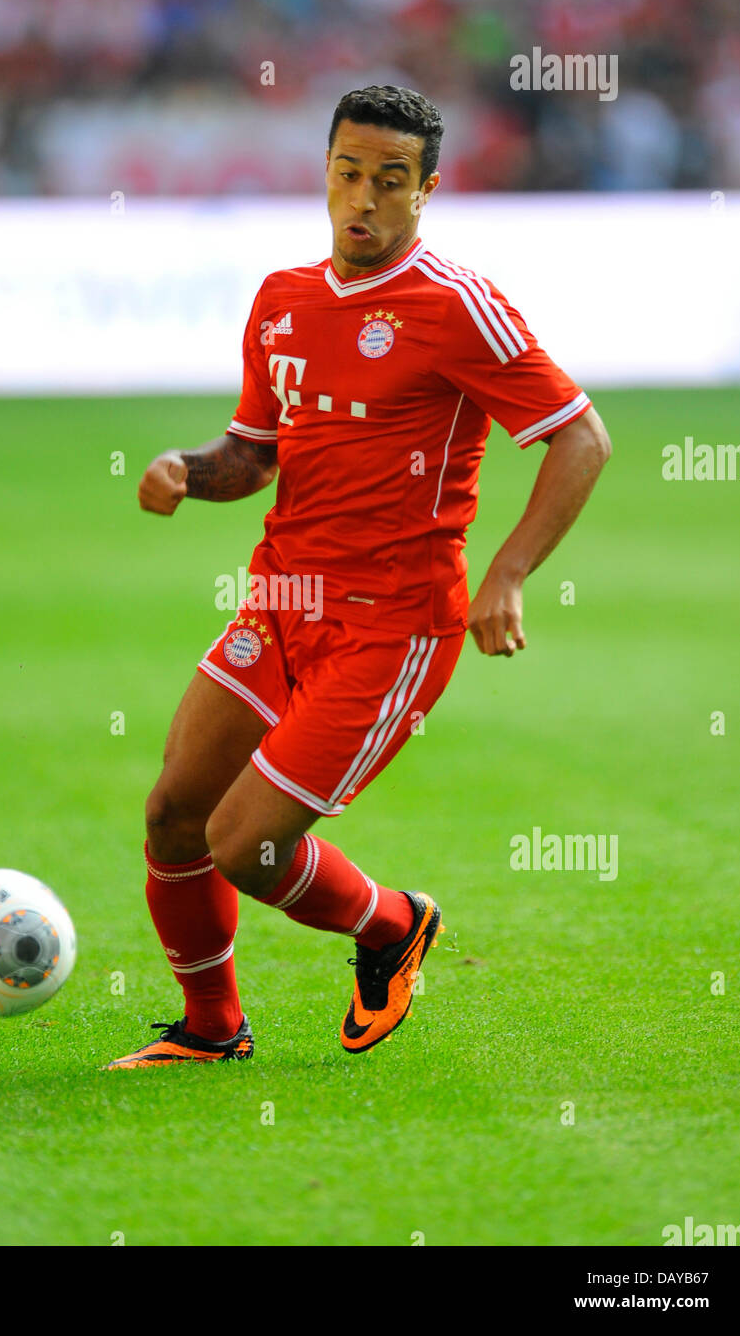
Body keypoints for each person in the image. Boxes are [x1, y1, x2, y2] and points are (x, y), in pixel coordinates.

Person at [107, 84, 611, 1069]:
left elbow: (579, 438)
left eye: (390, 180)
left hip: (392, 625)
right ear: (324, 174)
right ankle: (211, 1027)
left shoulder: (456, 306)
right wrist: (186, 470)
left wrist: (506, 574)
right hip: (280, 599)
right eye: (347, 174)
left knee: (244, 843)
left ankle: (389, 924)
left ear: (426, 188)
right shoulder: (282, 298)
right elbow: (252, 455)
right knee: (174, 812)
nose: (363, 198)